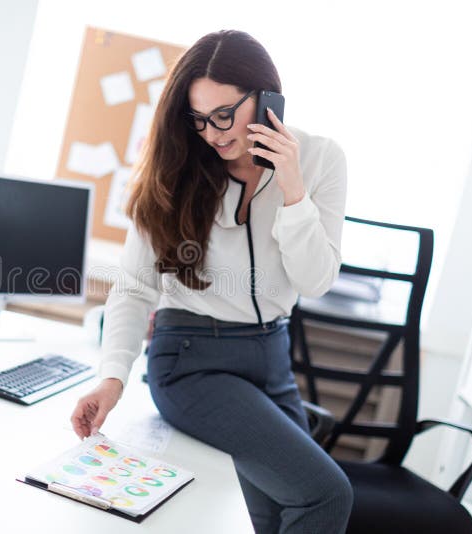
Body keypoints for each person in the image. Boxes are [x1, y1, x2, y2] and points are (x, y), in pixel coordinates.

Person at [70, 29, 352, 533]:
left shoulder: (320, 159)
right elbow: (134, 288)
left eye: (224, 115)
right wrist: (111, 378)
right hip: (192, 360)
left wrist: (292, 191)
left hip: (272, 357)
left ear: (268, 100)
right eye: (199, 120)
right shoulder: (174, 169)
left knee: (268, 517)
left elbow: (315, 281)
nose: (214, 133)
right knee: (325, 495)